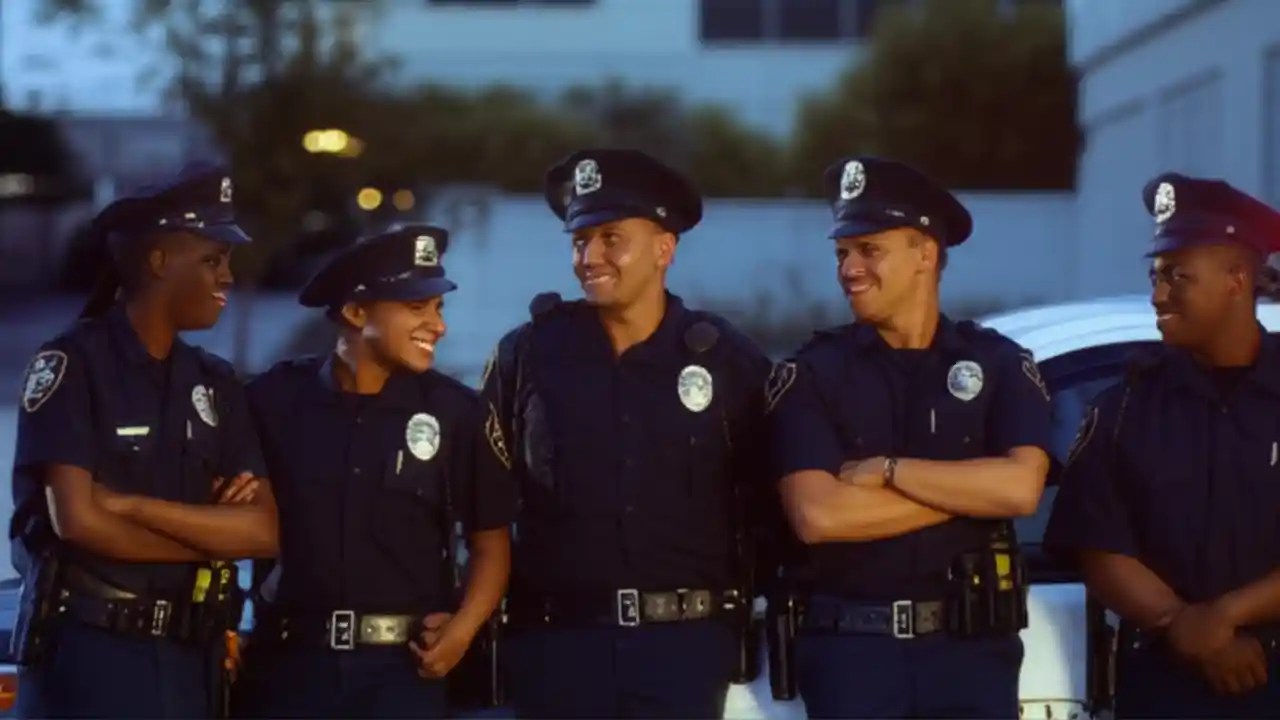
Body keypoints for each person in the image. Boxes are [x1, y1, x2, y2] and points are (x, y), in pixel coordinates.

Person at [479, 148, 773, 719]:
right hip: (556, 651)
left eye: (611, 238)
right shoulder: (529, 355)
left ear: (665, 248)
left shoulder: (726, 360)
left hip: (686, 650)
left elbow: (770, 502)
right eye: (578, 241)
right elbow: (485, 498)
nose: (589, 257)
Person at [766, 156, 1052, 718]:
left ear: (925, 253)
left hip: (972, 655)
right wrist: (970, 494)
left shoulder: (997, 364)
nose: (849, 268)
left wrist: (892, 472)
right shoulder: (812, 373)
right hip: (854, 657)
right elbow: (819, 517)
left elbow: (1022, 490)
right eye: (842, 253)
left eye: (869, 250)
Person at [9, 162, 278, 718]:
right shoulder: (73, 366)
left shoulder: (216, 382)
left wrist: (131, 506)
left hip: (189, 660)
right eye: (212, 260)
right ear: (158, 262)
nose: (226, 276)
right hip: (89, 655)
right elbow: (79, 522)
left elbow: (261, 531)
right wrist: (210, 534)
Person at [234, 224, 513, 719]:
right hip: (286, 670)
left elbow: (491, 541)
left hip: (403, 675)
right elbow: (229, 519)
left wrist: (462, 629)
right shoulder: (273, 400)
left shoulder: (457, 413)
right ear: (355, 312)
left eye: (438, 308)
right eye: (416, 307)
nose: (437, 325)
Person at [1044, 173, 1280, 718]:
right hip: (1165, 682)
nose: (1157, 294)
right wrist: (1188, 627)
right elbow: (1099, 545)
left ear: (1237, 279)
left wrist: (1224, 616)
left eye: (1178, 276)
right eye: (1155, 275)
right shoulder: (1124, 405)